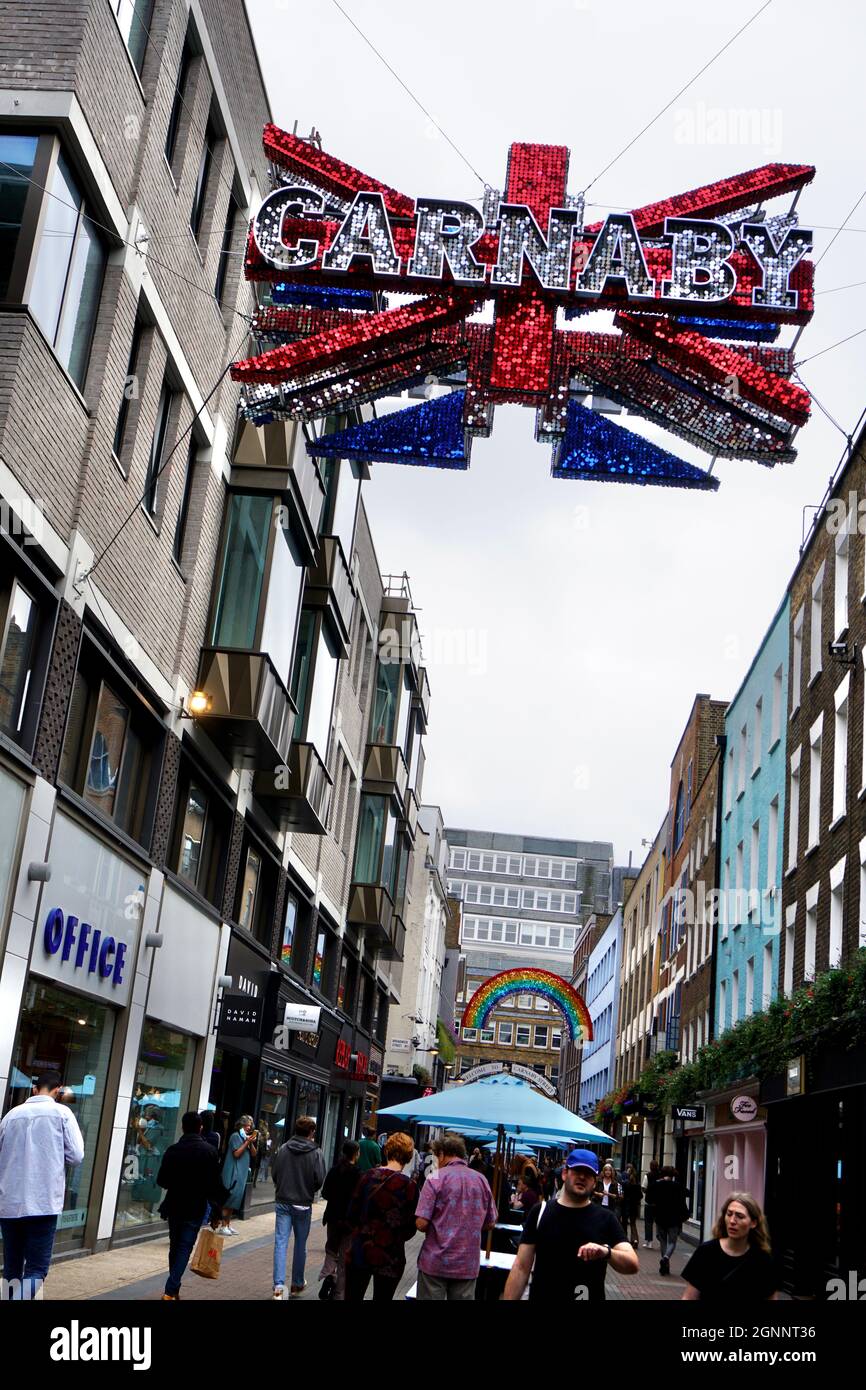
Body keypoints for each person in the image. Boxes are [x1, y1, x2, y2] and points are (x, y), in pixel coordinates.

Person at [503, 1148, 639, 1302]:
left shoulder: (606, 1218)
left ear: (594, 1182)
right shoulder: (540, 1212)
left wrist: (607, 1252)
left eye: (588, 1174)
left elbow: (632, 1263)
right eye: (577, 1171)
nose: (582, 1177)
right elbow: (521, 1267)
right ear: (564, 1174)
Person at [0, 1071, 84, 1300]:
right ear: (59, 1090)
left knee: (12, 1268)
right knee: (36, 1269)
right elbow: (76, 1156)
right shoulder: (62, 1113)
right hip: (43, 1201)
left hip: (9, 1201)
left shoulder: (11, 1115)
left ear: (35, 1089)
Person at [414, 1133, 498, 1301]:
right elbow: (491, 1222)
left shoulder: (436, 1178)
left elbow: (421, 1223)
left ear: (443, 1154)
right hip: (467, 1263)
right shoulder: (481, 1180)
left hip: (435, 1262)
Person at [156, 1112, 229, 1301]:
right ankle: (170, 1290)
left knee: (175, 1246)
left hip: (174, 1205)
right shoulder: (208, 1151)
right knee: (184, 1248)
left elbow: (162, 1180)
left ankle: (173, 1289)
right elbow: (214, 1185)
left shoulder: (173, 1150)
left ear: (182, 1127)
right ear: (200, 1128)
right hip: (195, 1206)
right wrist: (217, 1211)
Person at [345, 1132, 419, 1302]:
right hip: (391, 1253)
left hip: (360, 1249)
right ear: (408, 1156)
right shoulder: (410, 1186)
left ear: (387, 1151)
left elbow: (351, 1214)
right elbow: (410, 1227)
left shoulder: (367, 1177)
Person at [681, 1193, 778, 1302]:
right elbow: (689, 1297)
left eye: (740, 1216)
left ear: (753, 1223)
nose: (732, 1221)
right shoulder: (706, 1252)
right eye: (729, 1214)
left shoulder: (762, 1259)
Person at [271, 1115, 326, 1298]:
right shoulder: (316, 1152)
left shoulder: (284, 1148)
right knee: (300, 1244)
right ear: (311, 1132)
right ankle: (296, 1283)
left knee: (280, 1242)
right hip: (303, 1202)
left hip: (283, 1200)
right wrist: (309, 1189)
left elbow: (275, 1172)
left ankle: (279, 1287)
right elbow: (319, 1178)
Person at [318, 1140, 361, 1301]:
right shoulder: (358, 1174)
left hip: (333, 1218)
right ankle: (338, 1294)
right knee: (344, 1257)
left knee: (331, 1249)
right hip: (349, 1221)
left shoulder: (335, 1170)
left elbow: (325, 1193)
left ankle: (328, 1274)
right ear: (356, 1154)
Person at [219, 1115, 257, 1235]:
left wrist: (250, 1142)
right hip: (232, 1172)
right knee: (229, 1199)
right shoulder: (235, 1136)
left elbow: (254, 1154)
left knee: (235, 1199)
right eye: (246, 1125)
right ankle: (223, 1225)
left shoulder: (246, 1138)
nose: (248, 1127)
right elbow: (236, 1154)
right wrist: (246, 1142)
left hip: (241, 1172)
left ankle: (228, 1224)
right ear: (240, 1125)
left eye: (250, 1126)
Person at [653, 1165, 689, 1275]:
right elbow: (687, 1194)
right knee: (672, 1242)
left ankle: (665, 1266)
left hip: (660, 1217)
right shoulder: (678, 1186)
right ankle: (666, 1258)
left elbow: (649, 1198)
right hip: (674, 1218)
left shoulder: (657, 1185)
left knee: (663, 1240)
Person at [622, 1164, 642, 1247]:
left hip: (626, 1205)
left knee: (624, 1223)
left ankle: (625, 1240)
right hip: (634, 1206)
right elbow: (641, 1196)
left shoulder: (625, 1184)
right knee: (633, 1224)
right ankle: (635, 1240)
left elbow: (623, 1194)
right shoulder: (637, 1185)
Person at [643, 1160, 660, 1248]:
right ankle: (661, 1238)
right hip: (659, 1204)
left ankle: (649, 1241)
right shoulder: (661, 1176)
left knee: (648, 1222)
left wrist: (648, 1191)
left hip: (649, 1202)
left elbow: (644, 1187)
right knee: (659, 1222)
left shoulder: (647, 1175)